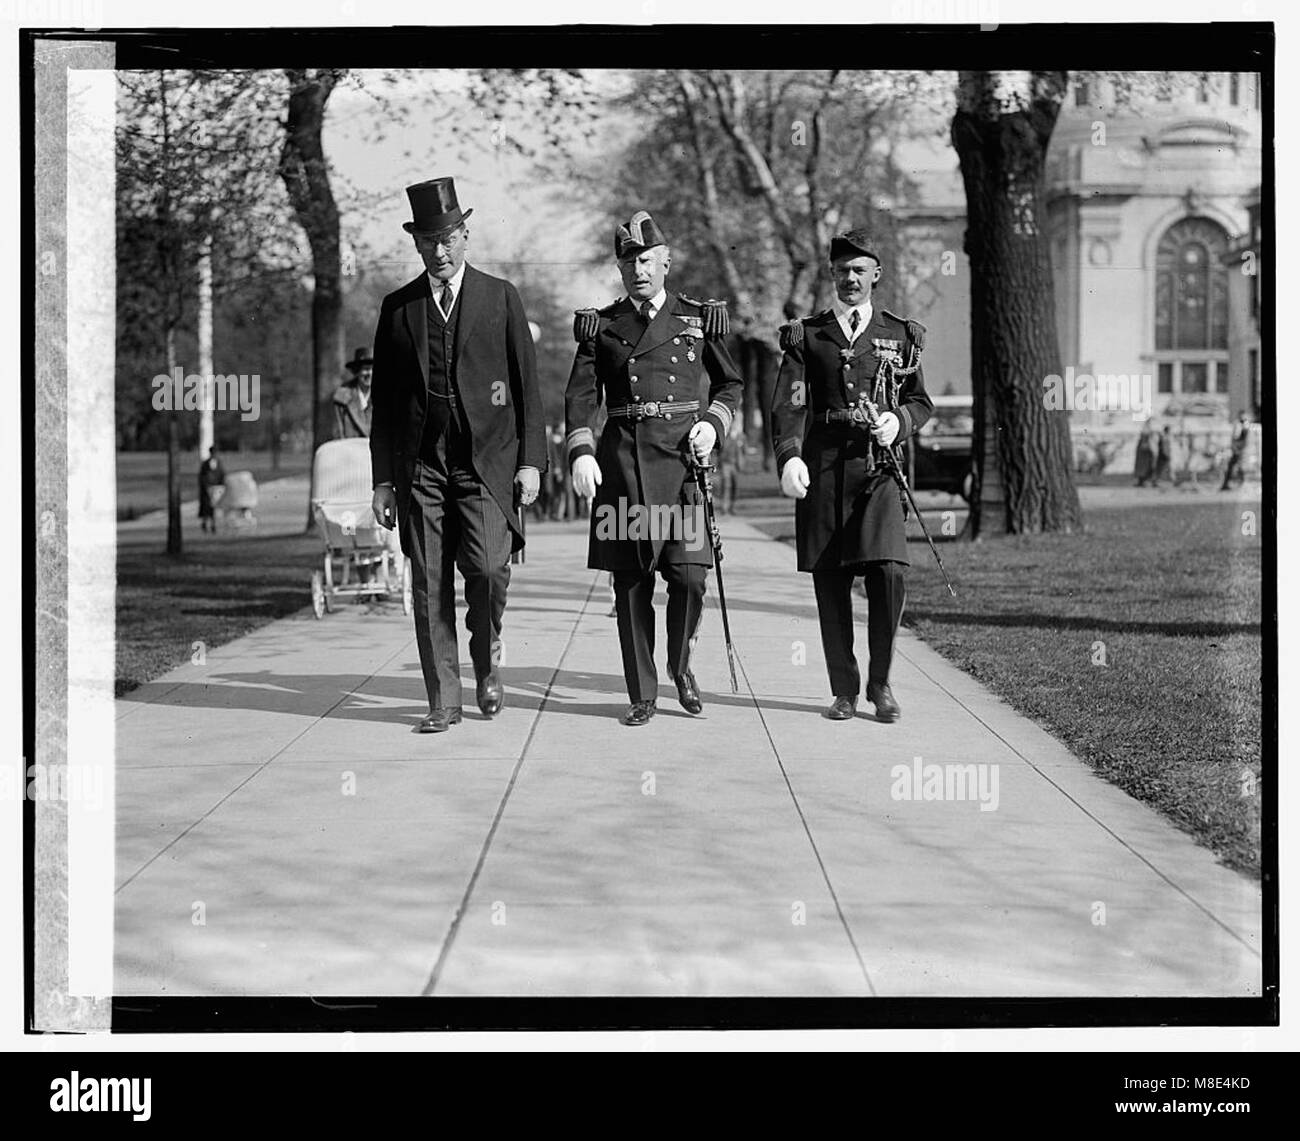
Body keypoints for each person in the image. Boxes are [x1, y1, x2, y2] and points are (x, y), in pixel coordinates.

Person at [370, 177, 546, 733]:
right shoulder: (398, 309)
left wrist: (531, 461)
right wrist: (382, 481)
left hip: (487, 463)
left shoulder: (500, 296)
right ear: (417, 245)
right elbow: (387, 408)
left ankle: (487, 658)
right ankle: (444, 700)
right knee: (428, 583)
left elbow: (528, 389)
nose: (439, 252)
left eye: (448, 239)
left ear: (466, 235)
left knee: (490, 570)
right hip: (422, 466)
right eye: (428, 242)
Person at [565, 210, 743, 726]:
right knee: (632, 585)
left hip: (684, 466)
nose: (637, 270)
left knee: (689, 577)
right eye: (628, 262)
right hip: (623, 467)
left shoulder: (696, 318)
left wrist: (713, 421)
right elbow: (580, 396)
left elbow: (729, 384)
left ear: (665, 261)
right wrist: (580, 450)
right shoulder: (603, 326)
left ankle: (680, 664)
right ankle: (642, 692)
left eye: (646, 260)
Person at [770, 228, 933, 723]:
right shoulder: (808, 336)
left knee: (889, 573)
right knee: (831, 583)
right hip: (822, 469)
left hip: (878, 470)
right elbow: (790, 403)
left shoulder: (902, 335)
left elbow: (919, 402)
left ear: (876, 275)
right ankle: (844, 688)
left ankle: (881, 683)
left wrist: (897, 422)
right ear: (831, 275)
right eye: (842, 271)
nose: (850, 279)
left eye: (860, 270)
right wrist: (790, 456)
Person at [332, 347, 374, 438]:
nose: (370, 374)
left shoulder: (386, 398)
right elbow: (338, 434)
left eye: (373, 369)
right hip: (349, 450)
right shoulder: (342, 398)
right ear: (357, 371)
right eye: (365, 369)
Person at [1221, 411, 1252, 490]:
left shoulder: (1244, 425)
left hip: (1239, 449)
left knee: (1235, 466)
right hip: (1237, 449)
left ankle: (1230, 483)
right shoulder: (1240, 424)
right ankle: (1229, 483)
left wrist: (1238, 448)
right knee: (1233, 466)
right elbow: (1235, 438)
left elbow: (1243, 439)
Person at [197, 447, 225, 533]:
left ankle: (213, 524)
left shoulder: (218, 463)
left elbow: (222, 474)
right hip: (207, 488)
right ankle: (205, 523)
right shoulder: (206, 464)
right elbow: (202, 476)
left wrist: (221, 485)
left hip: (216, 489)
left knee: (213, 507)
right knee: (206, 507)